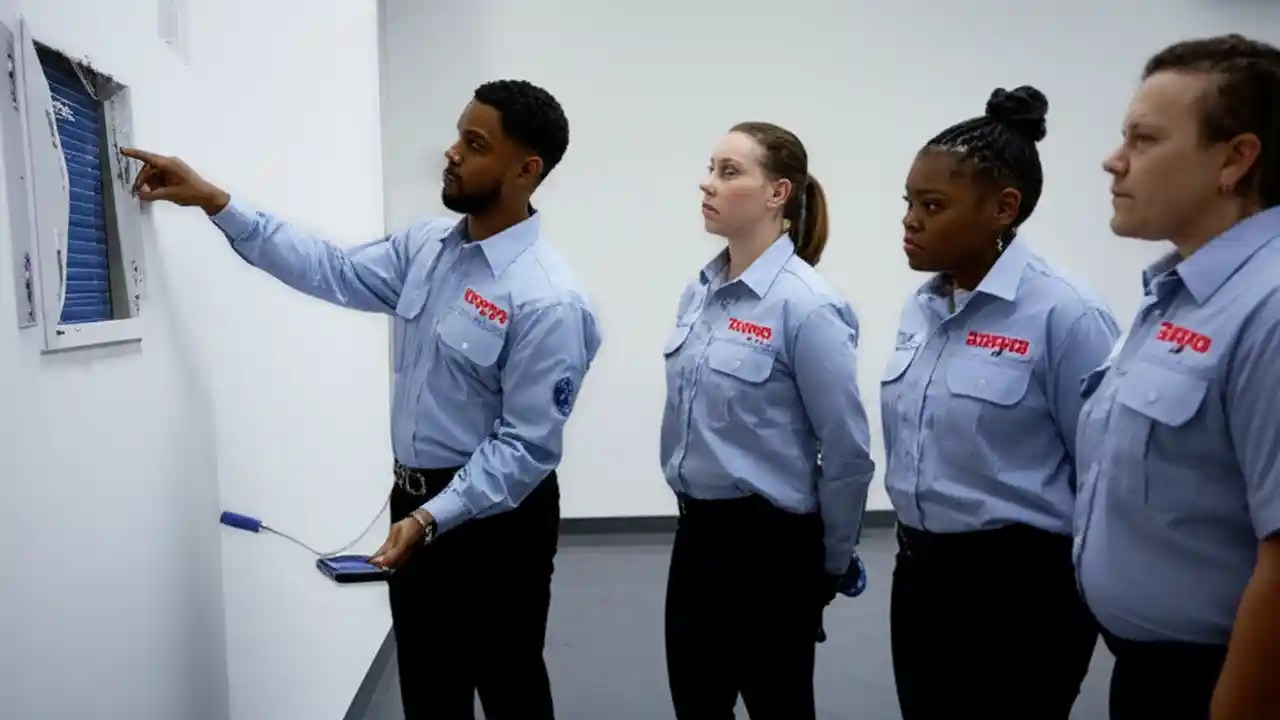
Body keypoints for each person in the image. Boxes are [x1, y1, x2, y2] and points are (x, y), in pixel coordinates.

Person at [124, 79, 600, 720]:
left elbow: (525, 447)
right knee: (429, 685)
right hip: (415, 503)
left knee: (509, 682)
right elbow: (333, 269)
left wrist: (434, 516)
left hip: (497, 524)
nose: (452, 152)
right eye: (458, 134)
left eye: (474, 142)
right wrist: (215, 202)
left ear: (525, 169)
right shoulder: (426, 248)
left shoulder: (548, 299)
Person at [882, 86, 1120, 719]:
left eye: (932, 205)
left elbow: (1104, 472)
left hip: (1023, 594)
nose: (910, 219)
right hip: (921, 578)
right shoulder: (924, 305)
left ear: (1003, 209)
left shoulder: (1066, 314)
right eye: (908, 202)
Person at [1074, 34, 1280, 720]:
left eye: (1144, 138)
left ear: (1234, 159)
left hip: (1225, 681)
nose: (1114, 159)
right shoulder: (1182, 292)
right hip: (1151, 673)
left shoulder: (1269, 307)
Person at [660, 121, 875, 720]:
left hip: (771, 552)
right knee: (696, 707)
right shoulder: (700, 291)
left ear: (778, 193)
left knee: (779, 708)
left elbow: (848, 451)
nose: (707, 183)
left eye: (729, 172)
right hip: (696, 538)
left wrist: (829, 563)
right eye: (710, 167)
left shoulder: (808, 306)